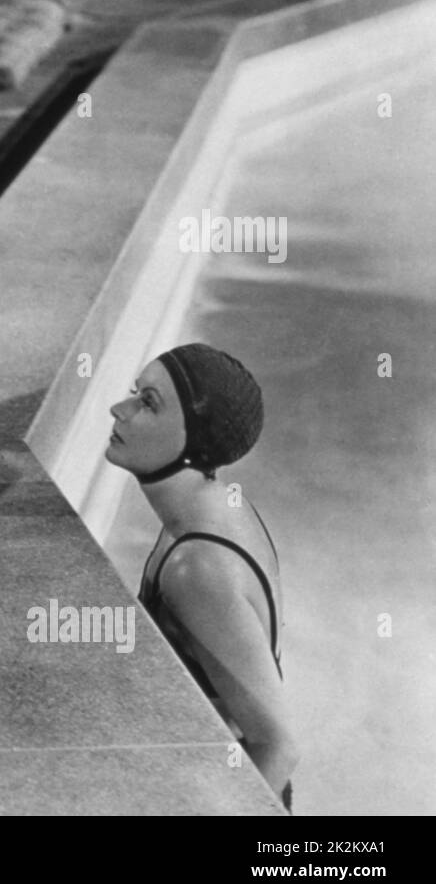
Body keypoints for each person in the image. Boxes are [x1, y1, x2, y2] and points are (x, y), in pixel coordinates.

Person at [105, 343, 298, 810]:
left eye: (148, 403)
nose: (119, 408)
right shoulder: (210, 503)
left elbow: (278, 747)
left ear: (195, 440)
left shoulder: (199, 567)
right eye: (135, 393)